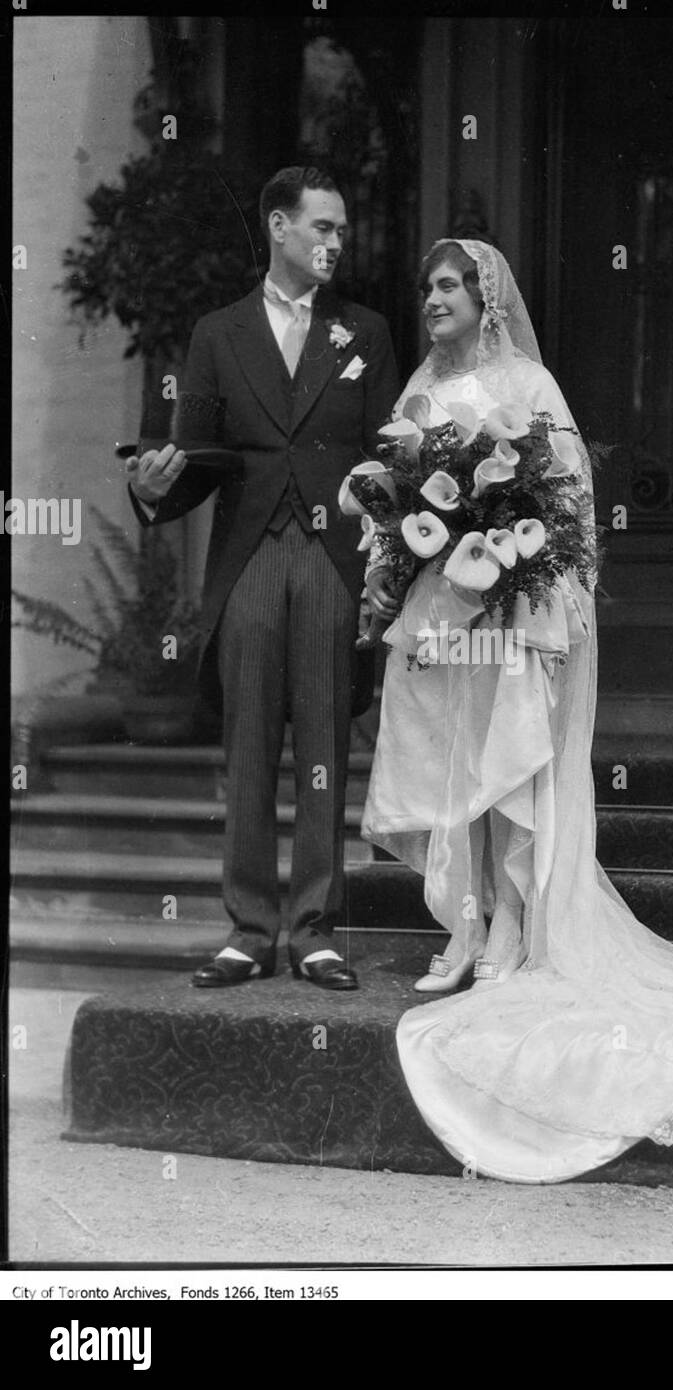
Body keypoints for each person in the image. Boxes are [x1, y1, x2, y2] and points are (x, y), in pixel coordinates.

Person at [361, 238, 673, 1182]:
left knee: (501, 759)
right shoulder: (416, 395)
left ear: (486, 298)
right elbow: (387, 502)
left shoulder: (532, 383)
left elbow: (568, 509)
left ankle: (514, 924)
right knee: (445, 757)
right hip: (443, 611)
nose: (434, 298)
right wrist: (394, 556)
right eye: (427, 284)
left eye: (451, 286)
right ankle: (464, 922)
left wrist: (543, 597)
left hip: (511, 610)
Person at [126, 166, 399, 991]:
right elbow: (196, 462)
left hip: (331, 559)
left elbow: (391, 456)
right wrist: (151, 488)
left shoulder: (368, 331)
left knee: (323, 746)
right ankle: (249, 930)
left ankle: (314, 931)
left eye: (342, 231)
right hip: (247, 556)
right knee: (248, 748)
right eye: (322, 228)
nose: (335, 244)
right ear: (278, 228)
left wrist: (384, 564)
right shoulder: (218, 334)